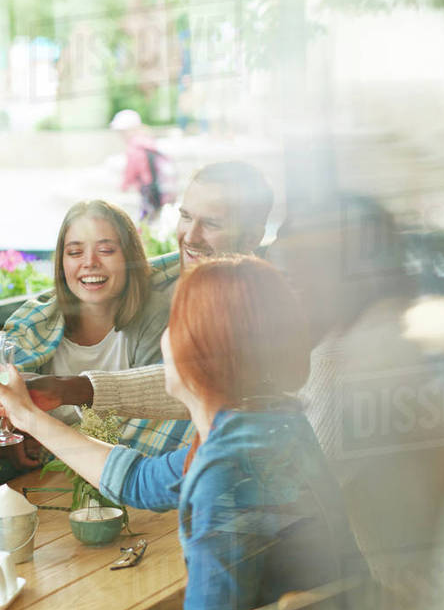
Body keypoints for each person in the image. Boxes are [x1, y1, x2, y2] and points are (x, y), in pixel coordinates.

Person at [0, 256, 355, 610]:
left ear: (202, 352)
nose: (164, 342)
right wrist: (29, 418)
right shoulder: (267, 425)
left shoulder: (228, 469)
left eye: (174, 327)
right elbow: (141, 480)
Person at [21, 161, 275, 432]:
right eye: (186, 217)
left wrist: (65, 398)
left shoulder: (262, 319)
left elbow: (187, 393)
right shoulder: (154, 285)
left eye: (211, 224)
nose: (190, 237)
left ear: (251, 238)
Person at [0, 200, 187, 481]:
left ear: (130, 257)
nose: (89, 262)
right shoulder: (31, 325)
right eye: (75, 252)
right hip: (37, 482)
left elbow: (151, 423)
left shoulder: (156, 316)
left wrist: (44, 435)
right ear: (62, 263)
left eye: (106, 250)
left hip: (123, 484)